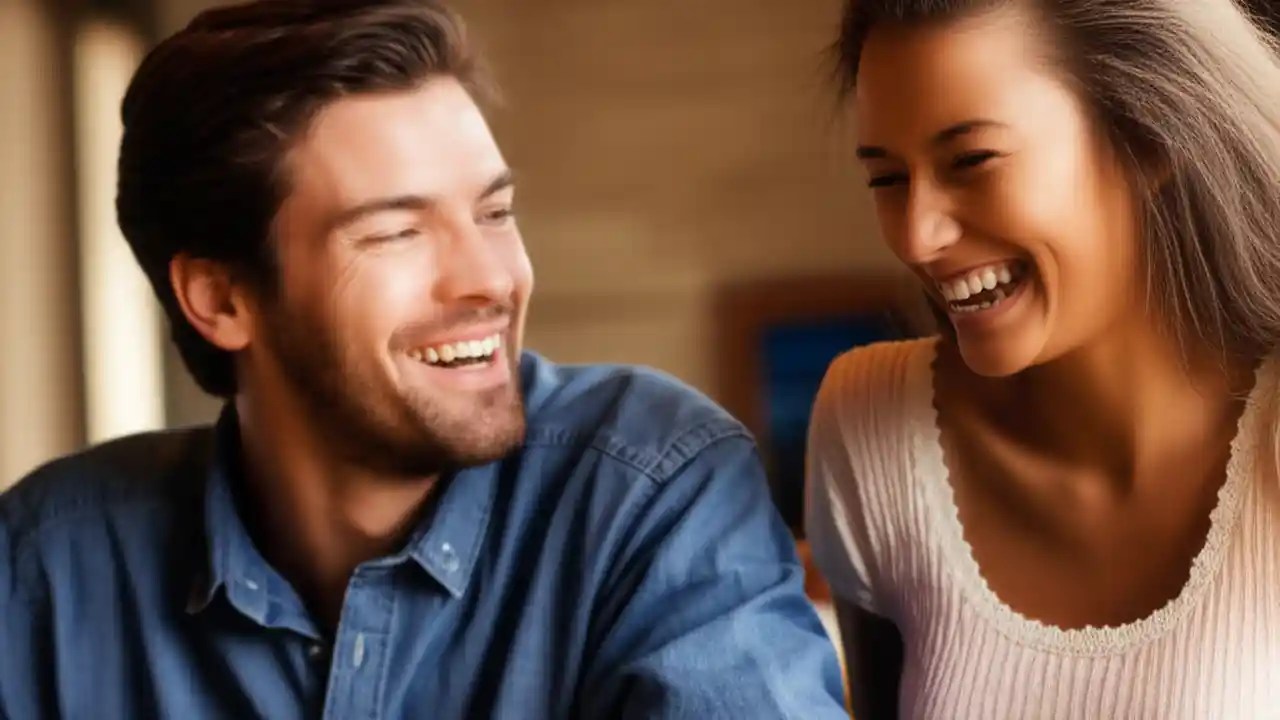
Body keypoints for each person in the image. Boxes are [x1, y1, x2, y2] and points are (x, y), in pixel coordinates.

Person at [0, 1, 849, 717]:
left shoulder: (650, 486)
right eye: (396, 232)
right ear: (222, 299)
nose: (491, 279)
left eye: (494, 212)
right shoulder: (43, 568)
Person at [805, 0, 1280, 717]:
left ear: (1149, 139)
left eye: (971, 161)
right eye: (887, 179)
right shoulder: (869, 427)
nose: (917, 235)